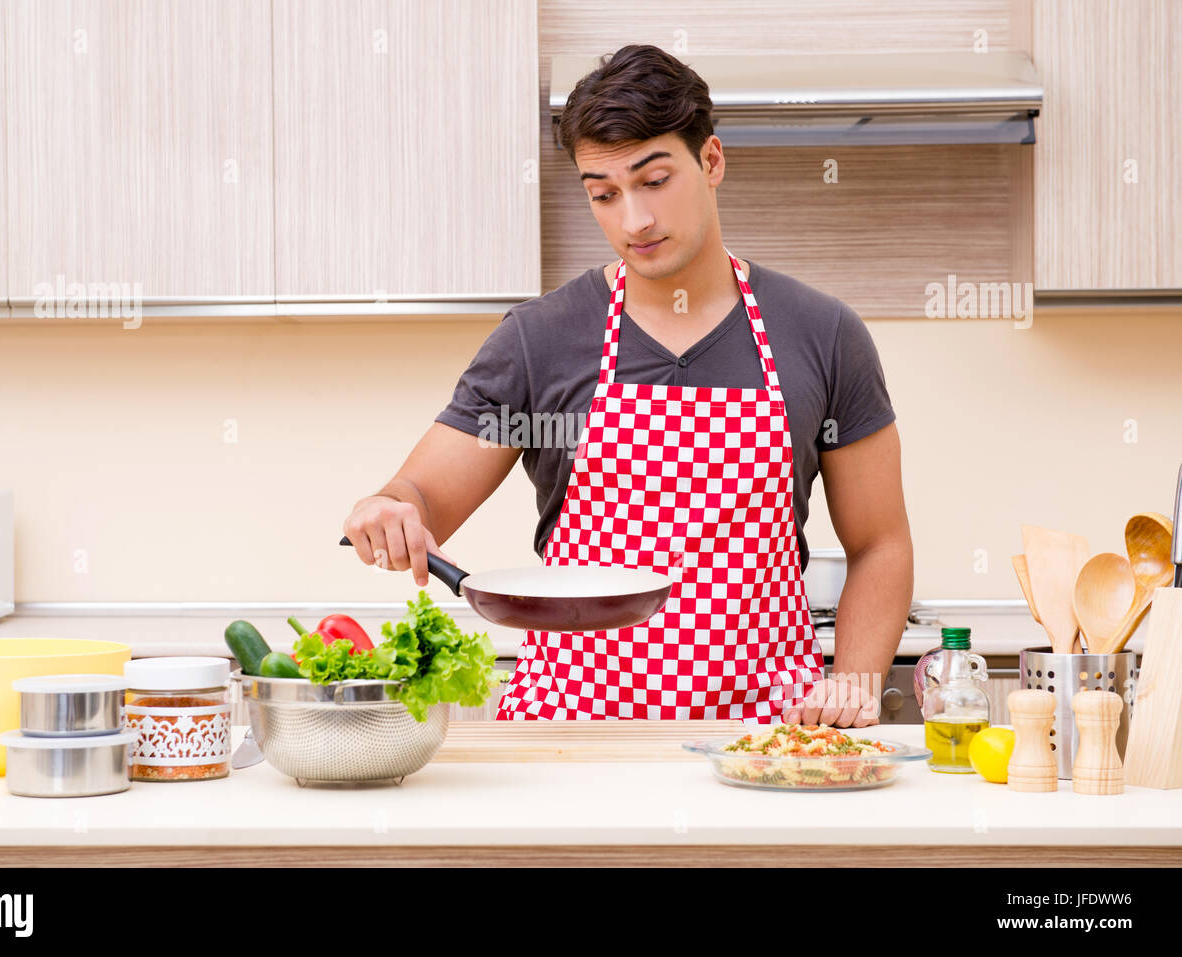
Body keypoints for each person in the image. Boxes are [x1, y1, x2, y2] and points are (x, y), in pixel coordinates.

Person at [342, 44, 912, 726]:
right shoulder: (539, 339)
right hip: (570, 737)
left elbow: (880, 543)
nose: (633, 220)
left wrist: (852, 684)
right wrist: (389, 508)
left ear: (712, 161)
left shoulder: (822, 334)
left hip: (765, 739)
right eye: (604, 194)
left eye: (654, 180)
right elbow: (421, 499)